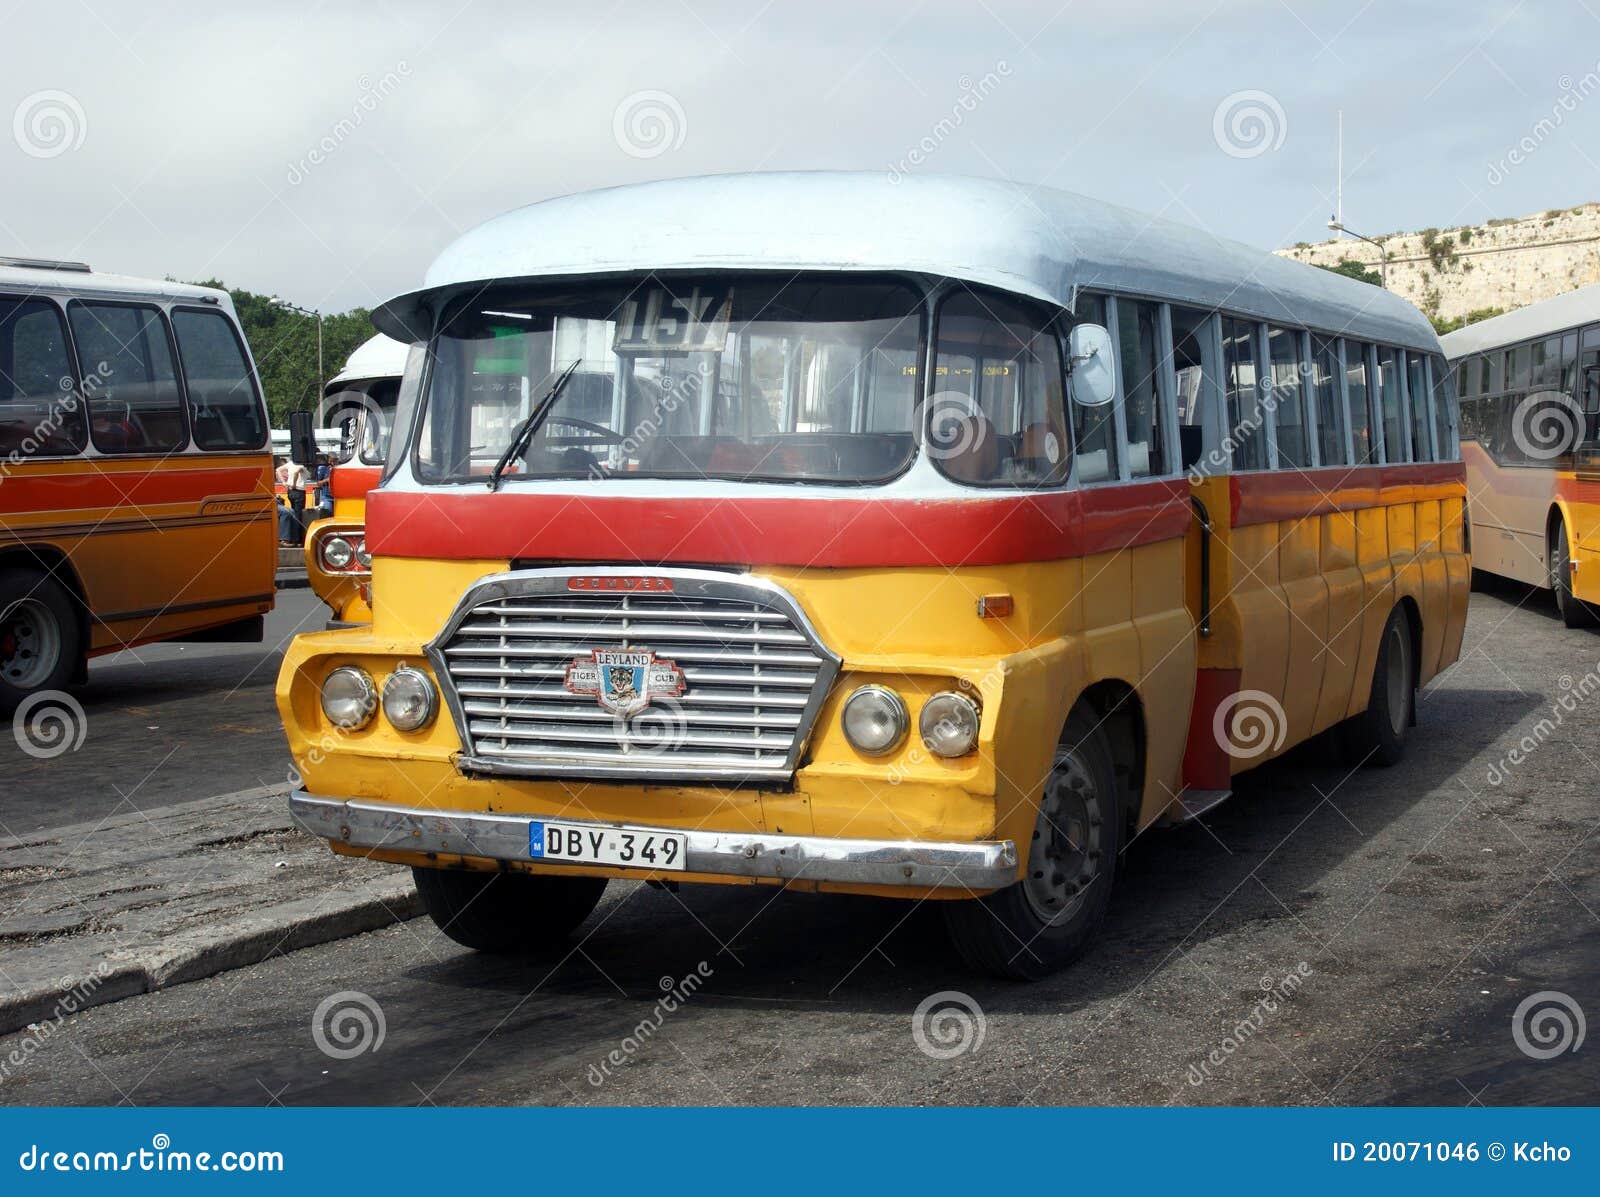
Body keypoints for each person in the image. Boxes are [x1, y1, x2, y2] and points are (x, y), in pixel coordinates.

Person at [279, 457, 309, 546]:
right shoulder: (301, 465)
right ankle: (297, 539)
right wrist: (295, 484)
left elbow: (278, 470)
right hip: (299, 491)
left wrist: (284, 483)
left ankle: (292, 537)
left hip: (290, 492)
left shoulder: (290, 464)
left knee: (293, 514)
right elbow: (296, 472)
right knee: (298, 516)